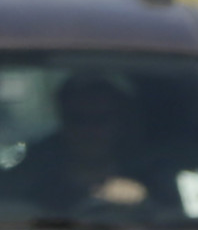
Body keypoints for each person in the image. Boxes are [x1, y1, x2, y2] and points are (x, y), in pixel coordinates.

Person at [19, 73, 149, 213]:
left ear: (119, 122)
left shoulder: (151, 175)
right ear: (63, 121)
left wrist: (142, 200)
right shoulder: (29, 179)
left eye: (100, 119)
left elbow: (167, 217)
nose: (88, 130)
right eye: (78, 119)